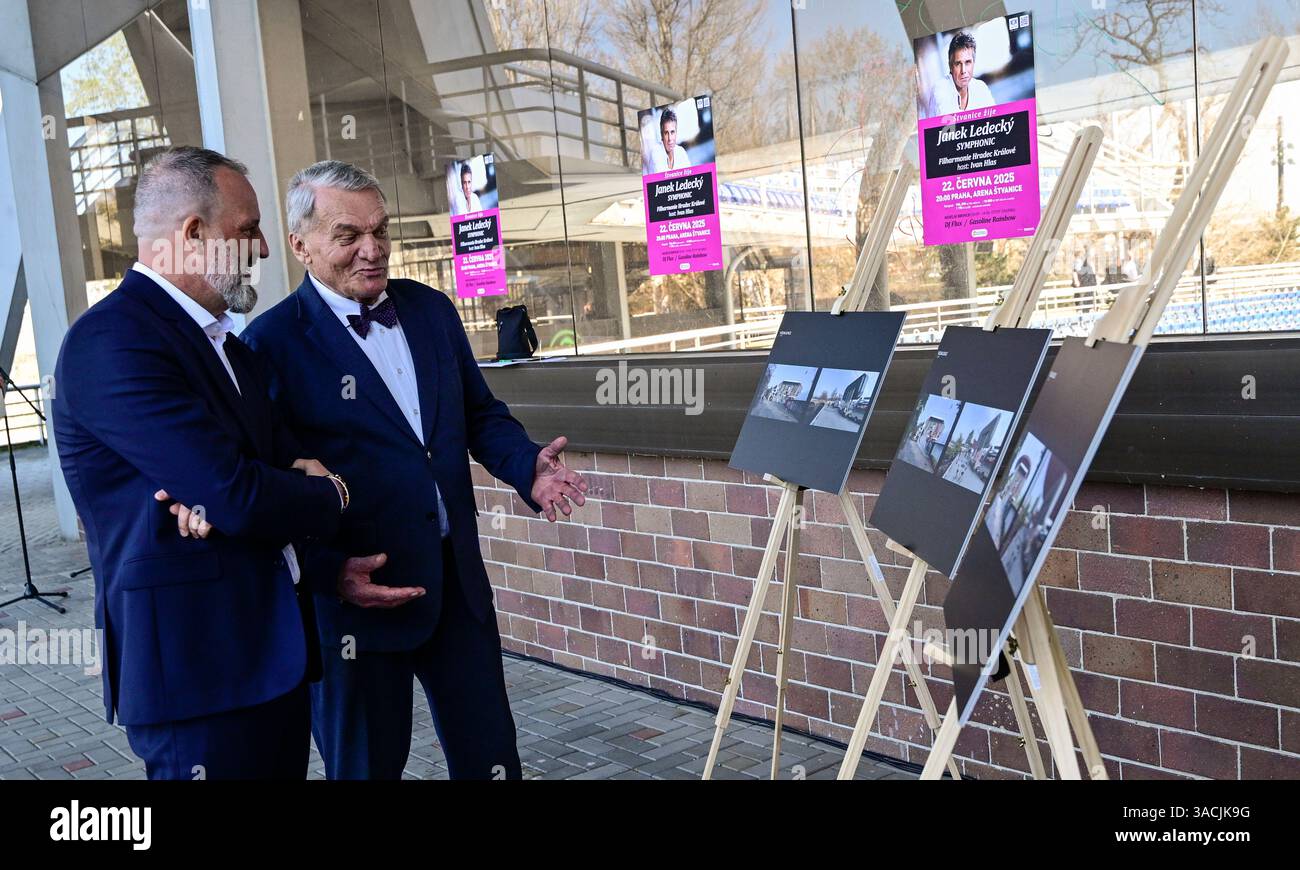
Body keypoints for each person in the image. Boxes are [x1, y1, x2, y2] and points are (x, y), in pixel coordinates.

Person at [242, 159, 588, 780]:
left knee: (492, 763)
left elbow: (479, 415)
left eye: (381, 231)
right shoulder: (268, 346)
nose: (372, 251)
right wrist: (326, 572)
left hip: (456, 587)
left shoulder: (430, 309)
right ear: (301, 245)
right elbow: (268, 485)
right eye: (348, 236)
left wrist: (524, 466)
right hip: (356, 608)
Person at [51, 146, 358, 779]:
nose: (267, 249)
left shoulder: (231, 349)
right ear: (195, 235)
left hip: (272, 660)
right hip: (197, 677)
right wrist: (329, 495)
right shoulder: (112, 341)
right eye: (248, 230)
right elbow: (239, 493)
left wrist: (249, 491)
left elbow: (249, 483)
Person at [926, 31, 996, 118]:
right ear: (950, 66)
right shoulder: (940, 90)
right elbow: (949, 128)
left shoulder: (981, 88)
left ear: (973, 63)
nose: (963, 71)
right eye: (958, 64)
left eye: (968, 62)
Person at [647, 107, 692, 173]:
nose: (670, 138)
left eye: (672, 132)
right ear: (661, 134)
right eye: (666, 133)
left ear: (676, 133)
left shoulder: (681, 152)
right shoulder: (655, 154)